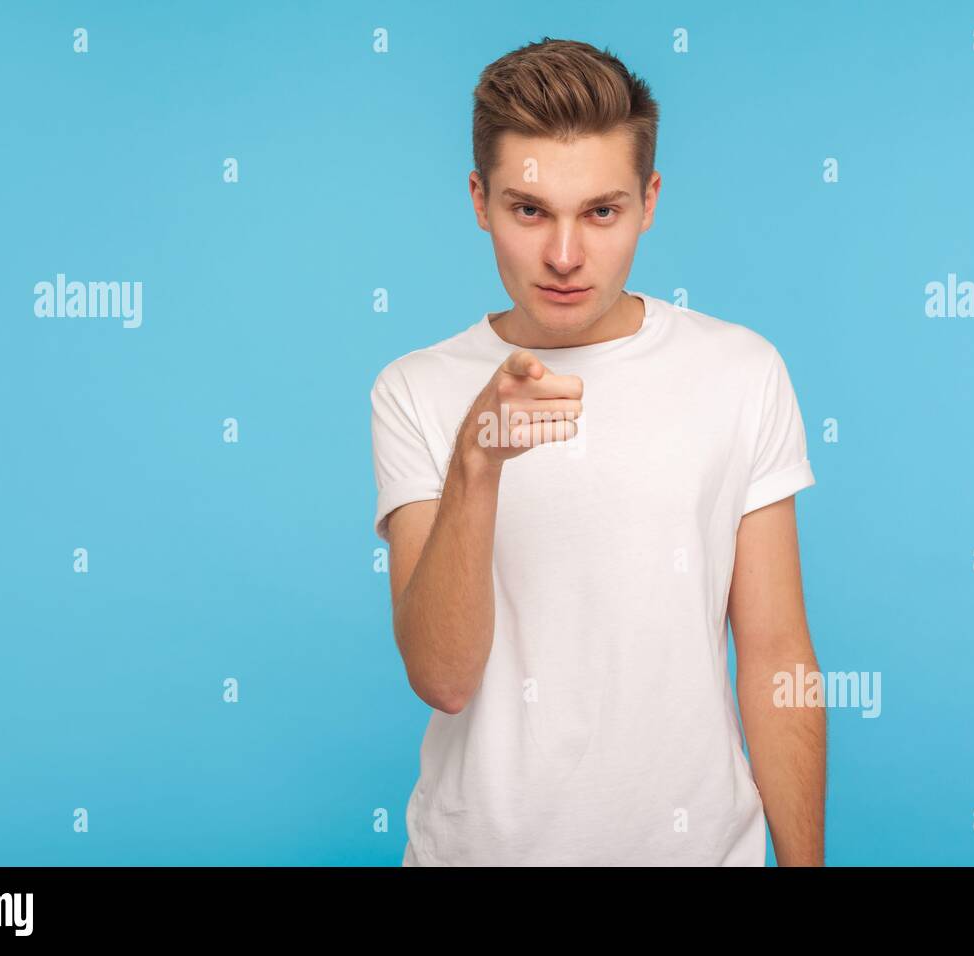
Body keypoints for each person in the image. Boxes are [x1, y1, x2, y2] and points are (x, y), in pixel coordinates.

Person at [369, 37, 824, 866]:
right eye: (530, 210)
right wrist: (477, 461)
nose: (566, 256)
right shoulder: (416, 389)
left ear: (649, 200)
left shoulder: (740, 370)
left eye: (602, 212)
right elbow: (442, 677)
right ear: (480, 199)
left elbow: (776, 656)